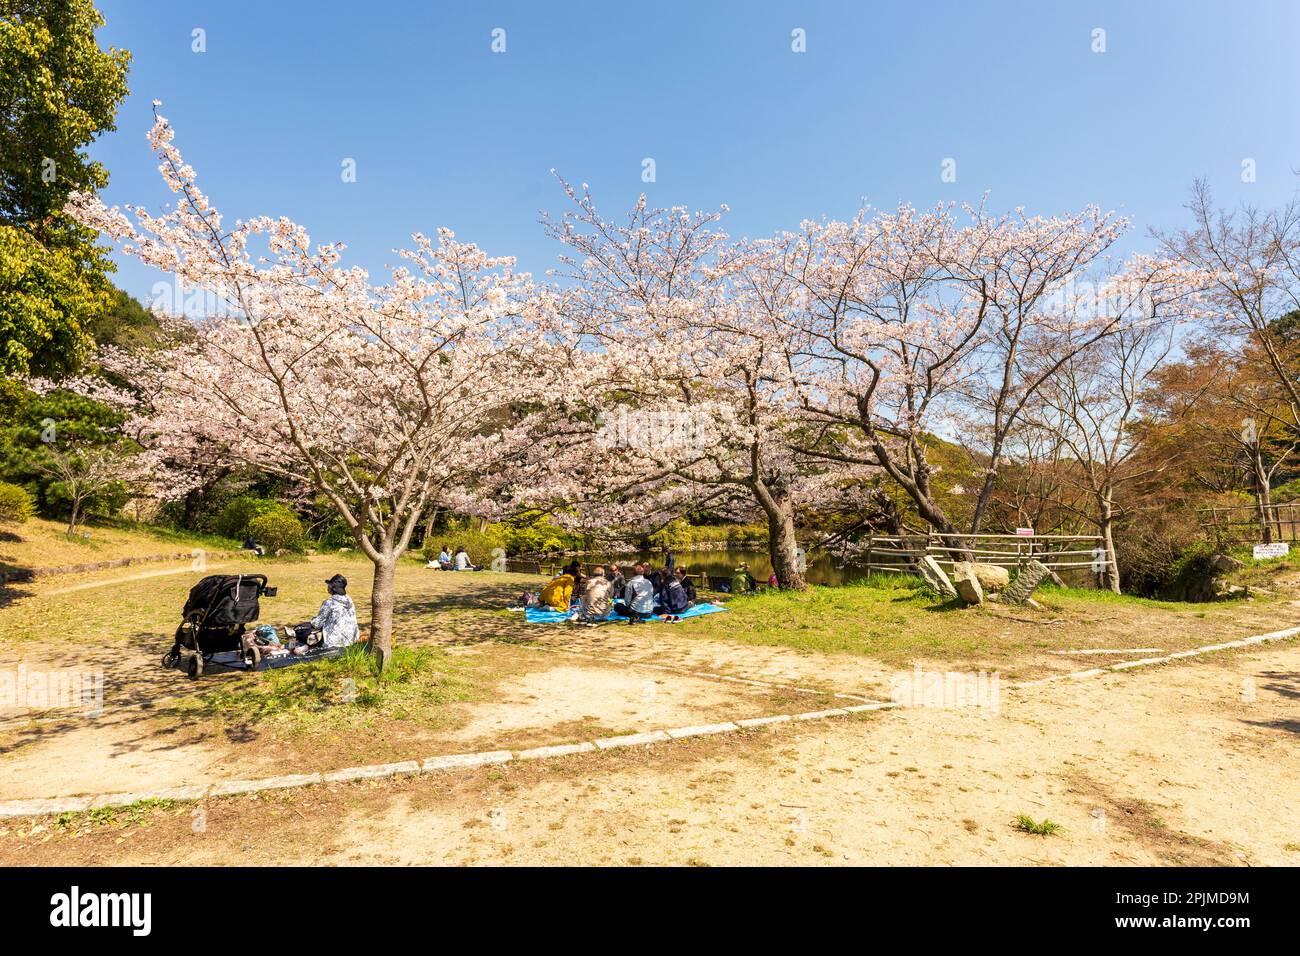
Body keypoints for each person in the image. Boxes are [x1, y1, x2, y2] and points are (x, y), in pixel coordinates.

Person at [288, 574, 360, 649]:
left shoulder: (329, 603)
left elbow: (317, 623)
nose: (327, 587)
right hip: (351, 638)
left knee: (299, 629)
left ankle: (291, 649)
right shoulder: (350, 601)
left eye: (329, 585)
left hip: (335, 640)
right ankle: (315, 636)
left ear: (332, 588)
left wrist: (311, 621)